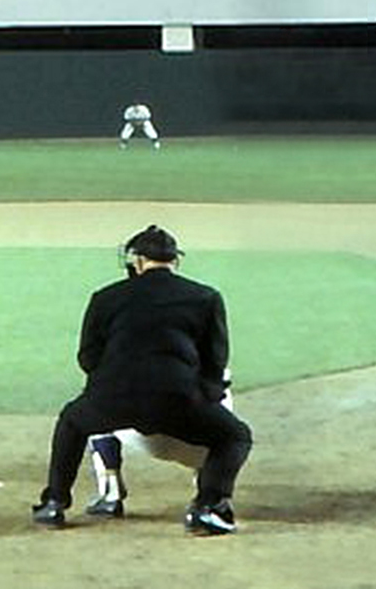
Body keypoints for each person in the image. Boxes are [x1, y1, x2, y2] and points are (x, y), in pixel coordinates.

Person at [32, 225, 252, 535]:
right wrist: (200, 400)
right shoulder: (206, 297)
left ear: (137, 262)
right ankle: (208, 505)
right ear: (174, 261)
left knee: (72, 420)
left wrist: (108, 387)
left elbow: (88, 359)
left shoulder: (106, 297)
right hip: (177, 401)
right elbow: (215, 364)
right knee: (235, 436)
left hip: (114, 399)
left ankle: (54, 502)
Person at [84, 371, 238, 517]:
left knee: (93, 402)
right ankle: (210, 484)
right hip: (206, 446)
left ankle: (111, 493)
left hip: (147, 437)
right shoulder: (207, 346)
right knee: (217, 395)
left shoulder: (122, 349)